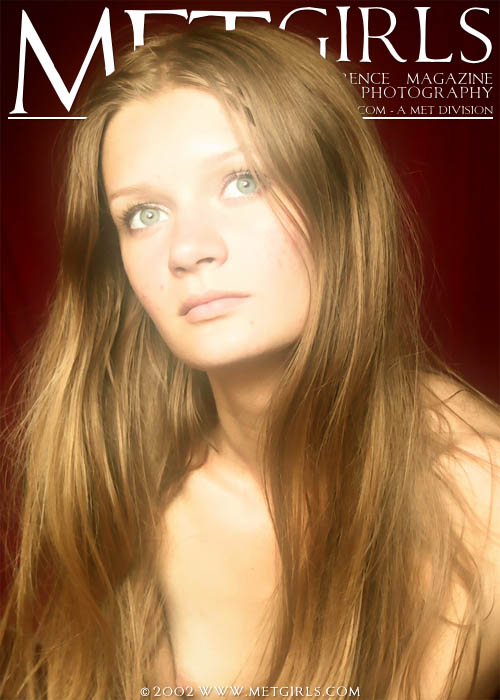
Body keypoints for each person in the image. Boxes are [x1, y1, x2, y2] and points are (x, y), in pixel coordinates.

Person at [1, 20, 499, 700]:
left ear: (339, 200)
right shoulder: (135, 476)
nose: (188, 250)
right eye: (143, 214)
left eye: (241, 181)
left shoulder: (478, 496)